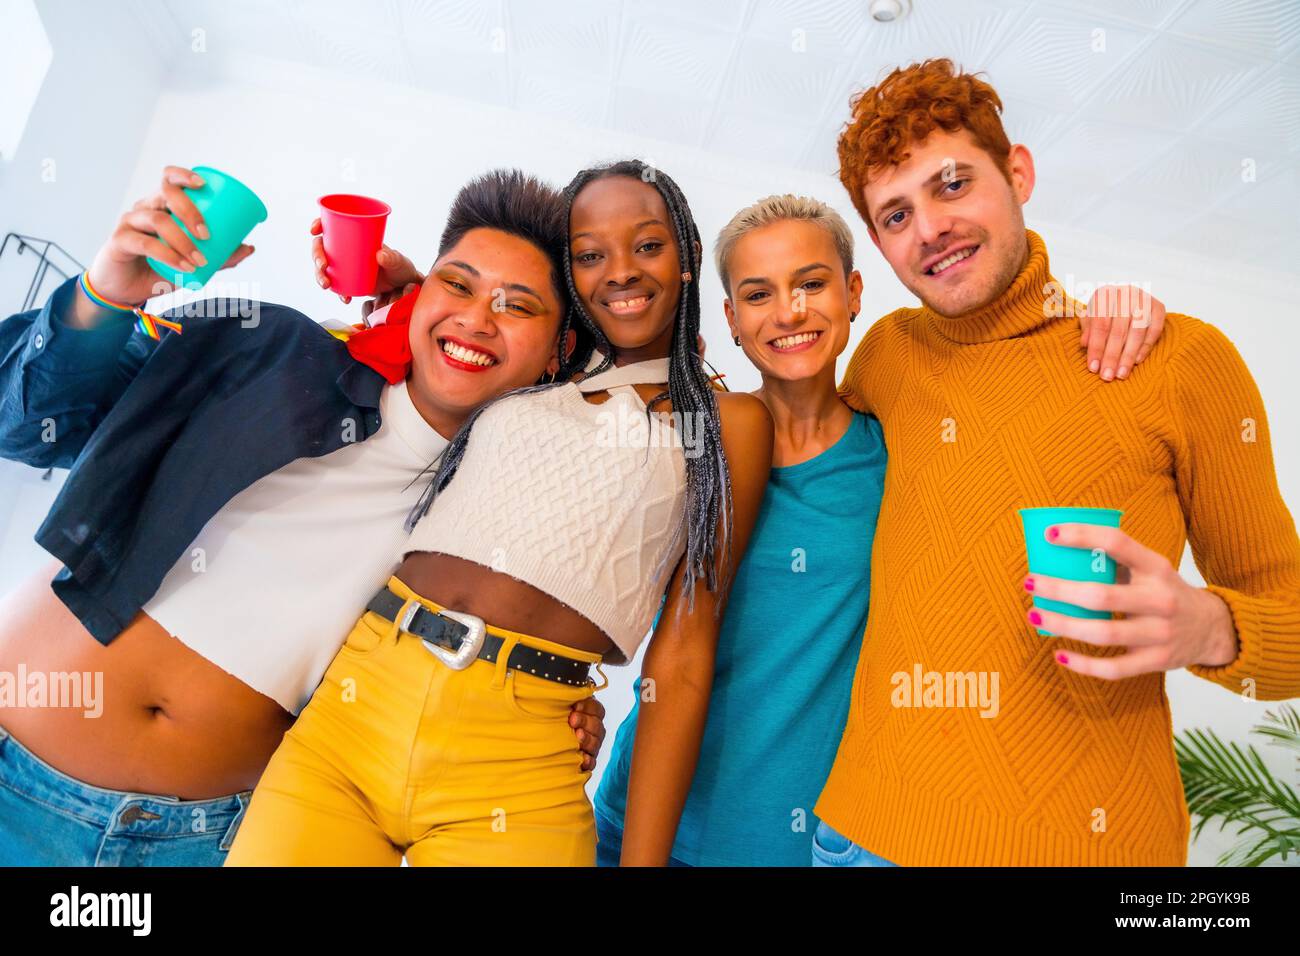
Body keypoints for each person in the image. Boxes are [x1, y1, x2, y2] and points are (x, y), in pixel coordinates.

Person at [0, 166, 606, 866]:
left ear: (561, 353)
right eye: (458, 284)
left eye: (518, 306)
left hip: (199, 843)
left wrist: (555, 714)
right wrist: (104, 294)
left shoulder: (494, 519)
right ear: (423, 289)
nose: (474, 318)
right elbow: (26, 423)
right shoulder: (265, 346)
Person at [812, 58, 1300, 866]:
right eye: (895, 214)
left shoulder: (1179, 362)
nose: (928, 227)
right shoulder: (885, 360)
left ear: (1019, 172)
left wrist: (1213, 627)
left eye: (953, 184)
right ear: (878, 243)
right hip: (860, 835)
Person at [591, 190, 1167, 866]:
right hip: (641, 828)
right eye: (758, 294)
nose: (790, 311)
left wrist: (1104, 309)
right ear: (731, 319)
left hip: (801, 842)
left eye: (811, 283)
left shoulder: (900, 454)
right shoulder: (684, 440)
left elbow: (1019, 397)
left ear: (853, 291)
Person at [224, 159, 773, 866]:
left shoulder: (727, 421)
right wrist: (412, 282)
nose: (621, 271)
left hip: (523, 761)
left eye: (648, 244)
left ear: (689, 256)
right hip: (355, 709)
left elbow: (686, 656)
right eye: (589, 254)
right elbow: (477, 325)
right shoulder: (542, 370)